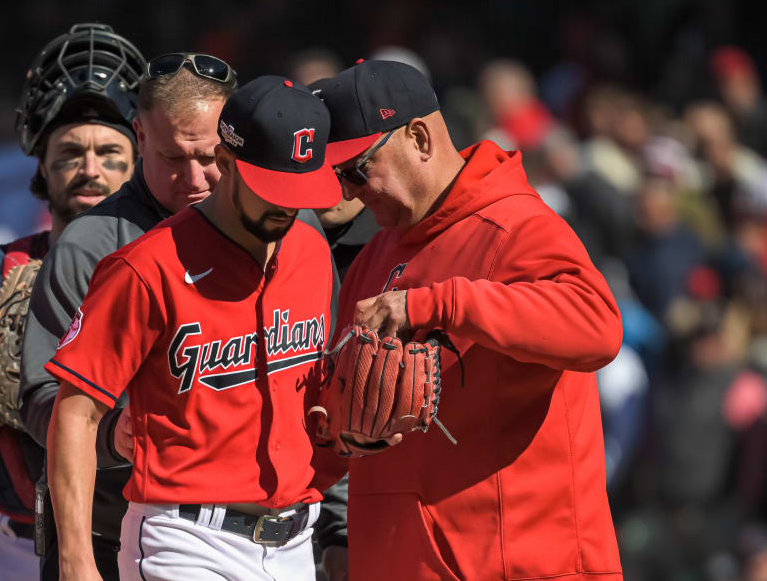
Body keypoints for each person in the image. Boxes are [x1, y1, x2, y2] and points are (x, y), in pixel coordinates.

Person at [317, 60, 624, 580]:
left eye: (358, 169)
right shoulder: (374, 256)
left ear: (418, 137)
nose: (349, 192)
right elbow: (338, 414)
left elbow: (598, 326)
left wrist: (439, 303)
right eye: (338, 175)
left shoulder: (514, 225)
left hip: (519, 563)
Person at [46, 75, 343, 581]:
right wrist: (76, 561)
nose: (286, 206)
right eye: (272, 188)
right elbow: (75, 413)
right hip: (187, 542)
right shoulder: (147, 266)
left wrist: (358, 433)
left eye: (300, 189)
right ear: (225, 164)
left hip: (295, 541)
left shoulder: (312, 251)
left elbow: (309, 408)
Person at [17, 52, 239, 579]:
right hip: (111, 534)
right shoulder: (92, 245)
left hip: (255, 535)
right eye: (172, 158)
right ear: (140, 135)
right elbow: (41, 399)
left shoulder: (278, 229)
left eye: (209, 157)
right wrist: (110, 433)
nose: (194, 178)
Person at [0, 23, 144, 581]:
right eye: (71, 151)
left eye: (110, 152)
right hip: (17, 550)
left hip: (147, 540)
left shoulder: (177, 269)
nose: (90, 169)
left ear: (140, 162)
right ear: (41, 163)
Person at [309, 76, 378, 279]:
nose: (326, 184)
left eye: (344, 167)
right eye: (312, 167)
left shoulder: (393, 241)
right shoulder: (279, 240)